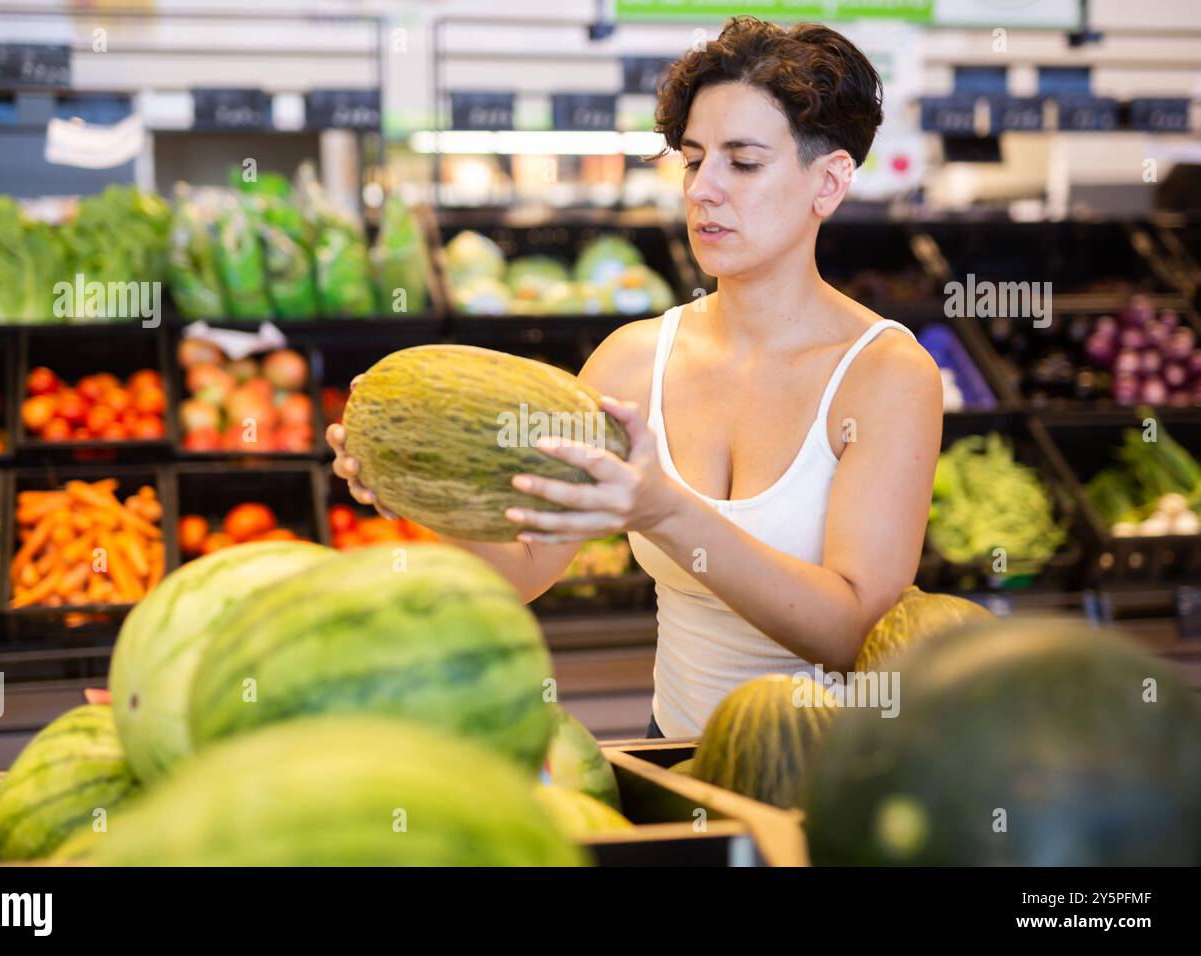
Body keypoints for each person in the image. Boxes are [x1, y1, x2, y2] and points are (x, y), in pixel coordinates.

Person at [327, 18, 942, 740]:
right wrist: (407, 482)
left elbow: (851, 637)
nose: (704, 190)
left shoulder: (885, 374)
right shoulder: (632, 360)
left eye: (742, 163)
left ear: (829, 181)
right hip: (671, 764)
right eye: (692, 160)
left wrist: (663, 512)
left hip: (835, 786)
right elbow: (526, 571)